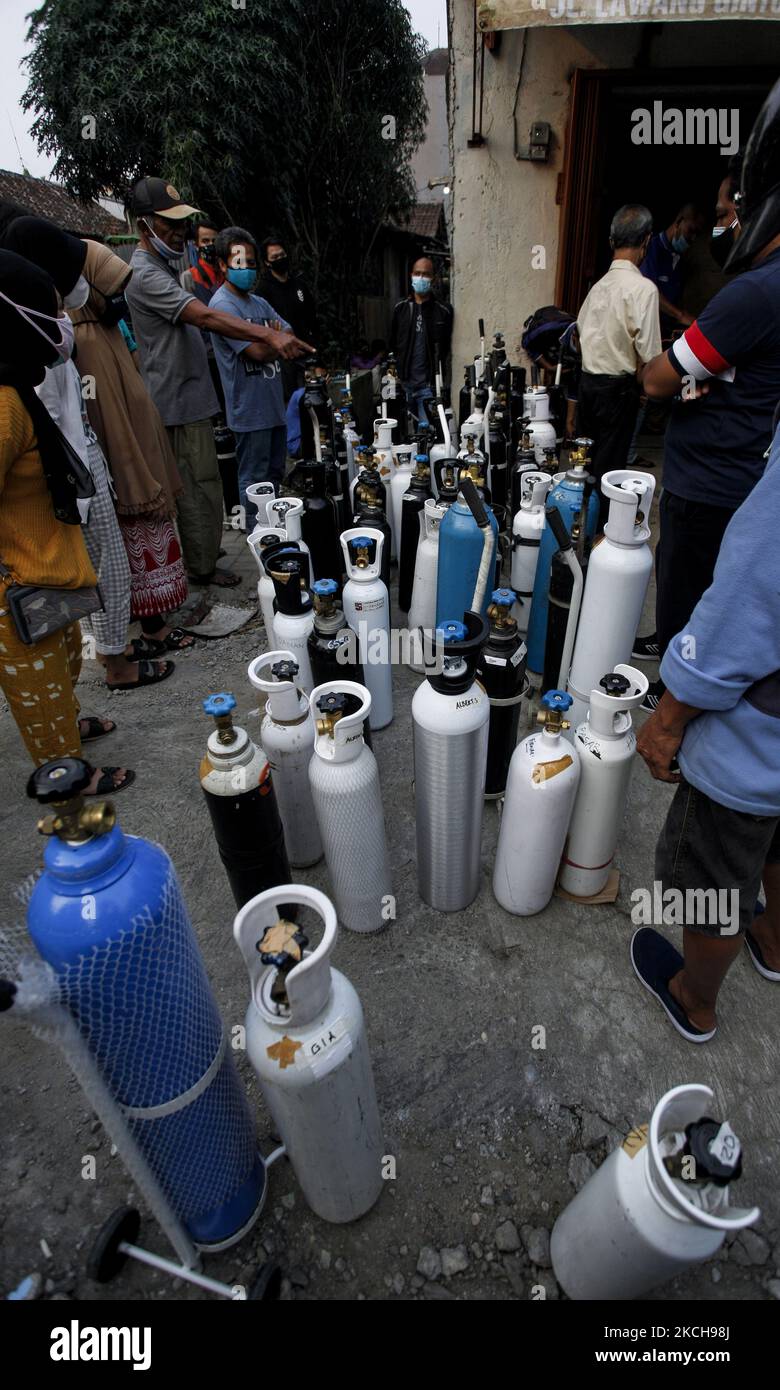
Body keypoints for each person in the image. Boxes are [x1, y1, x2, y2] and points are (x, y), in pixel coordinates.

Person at [631, 419, 780, 1043]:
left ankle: (695, 999)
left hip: (755, 744)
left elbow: (750, 599)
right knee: (774, 842)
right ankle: (772, 942)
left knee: (711, 881)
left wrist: (668, 718)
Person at [637, 93, 780, 711]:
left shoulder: (751, 295)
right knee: (690, 587)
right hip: (733, 473)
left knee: (688, 591)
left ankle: (672, 694)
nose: (722, 225)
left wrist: (663, 362)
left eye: (727, 212)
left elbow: (658, 379)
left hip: (709, 482)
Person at [125, 178, 313, 587]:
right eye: (168, 224)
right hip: (178, 400)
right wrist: (268, 335)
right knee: (199, 488)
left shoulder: (165, 267)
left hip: (195, 398)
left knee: (210, 484)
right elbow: (208, 319)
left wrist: (273, 333)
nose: (179, 233)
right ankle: (204, 568)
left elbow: (280, 326)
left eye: (181, 224)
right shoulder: (146, 274)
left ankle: (206, 552)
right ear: (144, 226)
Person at [0, 249, 133, 792]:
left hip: (52, 567)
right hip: (22, 582)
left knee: (64, 667)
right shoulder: (3, 406)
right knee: (42, 686)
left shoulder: (18, 387)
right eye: (50, 312)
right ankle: (68, 775)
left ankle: (67, 727)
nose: (62, 324)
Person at [66, 239, 192, 672]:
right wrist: (135, 473)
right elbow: (106, 420)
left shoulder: (107, 329)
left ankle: (155, 628)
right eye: (111, 288)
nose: (119, 298)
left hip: (141, 460)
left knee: (148, 551)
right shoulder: (84, 337)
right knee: (133, 559)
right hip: (128, 474)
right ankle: (144, 634)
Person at [575, 205, 661, 522]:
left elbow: (581, 334)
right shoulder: (643, 290)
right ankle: (599, 542)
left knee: (582, 467)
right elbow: (650, 357)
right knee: (608, 474)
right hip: (617, 392)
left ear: (612, 241)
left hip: (588, 387)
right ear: (647, 241)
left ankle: (576, 534)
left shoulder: (597, 289)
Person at [209, 227, 289, 530]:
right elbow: (255, 351)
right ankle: (256, 534)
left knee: (274, 475)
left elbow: (289, 332)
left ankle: (275, 529)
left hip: (273, 407)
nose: (246, 269)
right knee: (254, 480)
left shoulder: (259, 303)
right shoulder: (222, 306)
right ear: (222, 264)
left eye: (251, 263)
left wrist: (277, 341)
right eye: (239, 262)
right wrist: (275, 342)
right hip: (249, 411)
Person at [389, 257, 453, 427]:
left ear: (433, 278)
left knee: (429, 434)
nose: (421, 277)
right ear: (411, 275)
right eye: (417, 273)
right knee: (402, 437)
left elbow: (446, 350)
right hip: (404, 386)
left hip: (428, 387)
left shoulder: (443, 311)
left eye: (425, 274)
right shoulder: (400, 308)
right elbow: (393, 344)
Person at [257, 236, 318, 401]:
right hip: (283, 359)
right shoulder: (263, 291)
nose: (280, 259)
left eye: (282, 255)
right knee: (291, 404)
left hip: (306, 355)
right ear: (267, 262)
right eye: (275, 257)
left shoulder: (299, 285)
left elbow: (312, 319)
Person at [640, 203, 704, 333]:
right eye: (691, 231)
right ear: (679, 222)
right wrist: (680, 315)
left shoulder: (680, 260)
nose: (692, 238)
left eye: (697, 234)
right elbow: (649, 291)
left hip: (665, 331)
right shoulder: (650, 249)